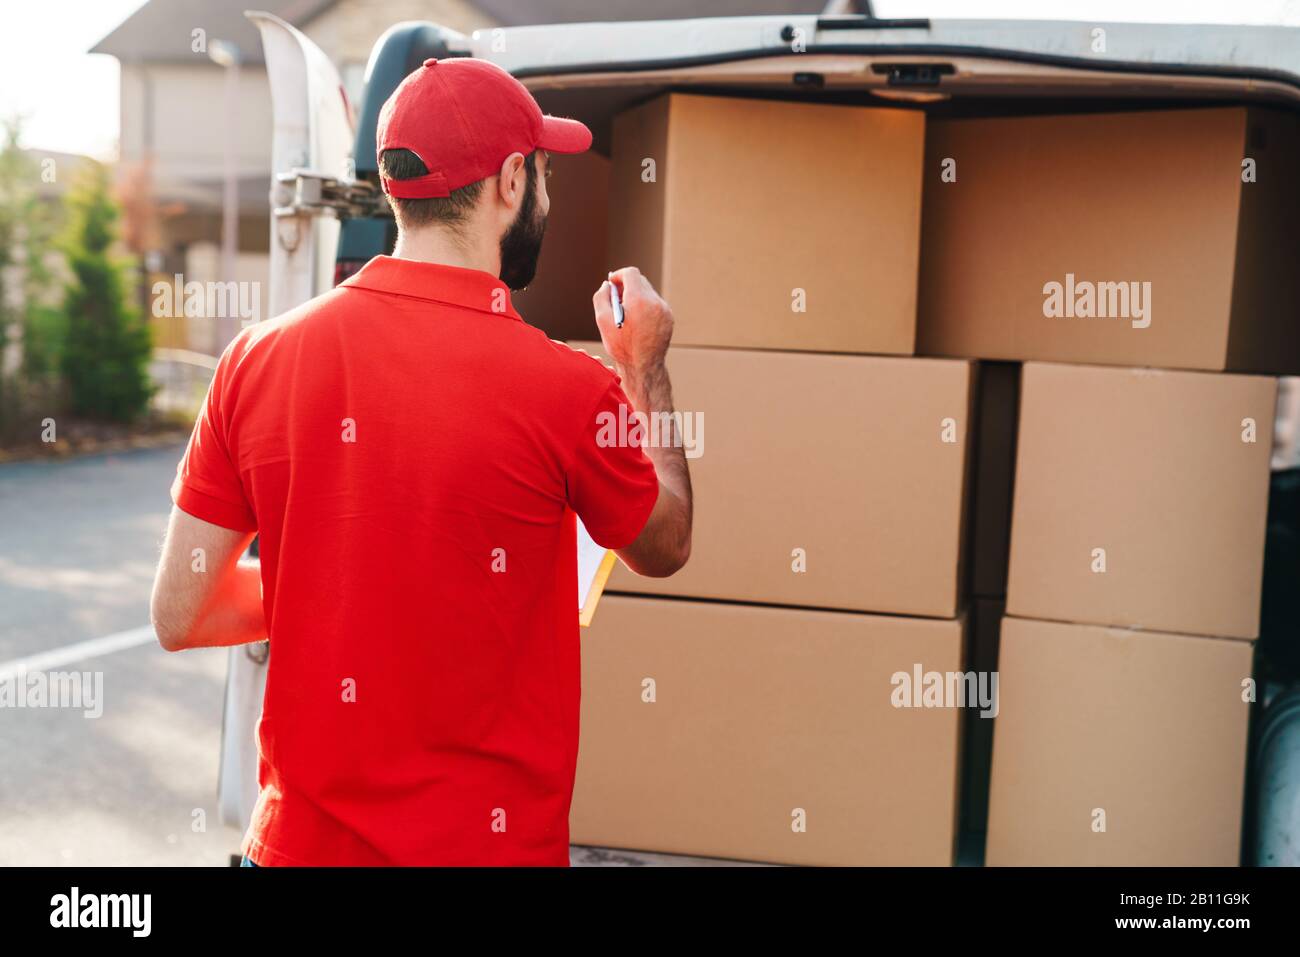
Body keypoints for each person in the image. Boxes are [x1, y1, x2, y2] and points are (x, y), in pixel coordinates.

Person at [149, 57, 693, 866]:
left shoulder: (254, 360)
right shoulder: (571, 391)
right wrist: (643, 366)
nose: (545, 191)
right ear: (512, 181)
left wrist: (339, 575)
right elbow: (666, 541)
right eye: (543, 170)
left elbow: (181, 613)